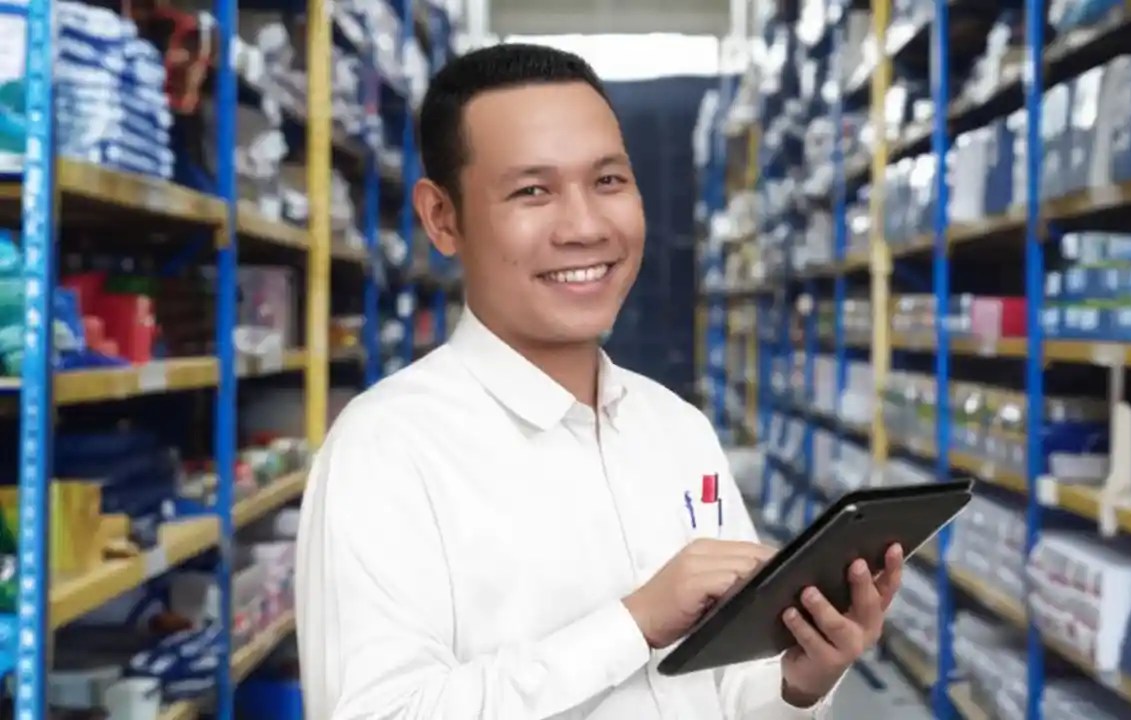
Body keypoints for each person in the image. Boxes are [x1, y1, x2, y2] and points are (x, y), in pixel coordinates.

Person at [294, 42, 904, 720]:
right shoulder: (387, 449)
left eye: (609, 181)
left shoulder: (678, 430)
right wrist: (633, 624)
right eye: (533, 191)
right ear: (443, 218)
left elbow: (725, 690)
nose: (585, 226)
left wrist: (799, 681)